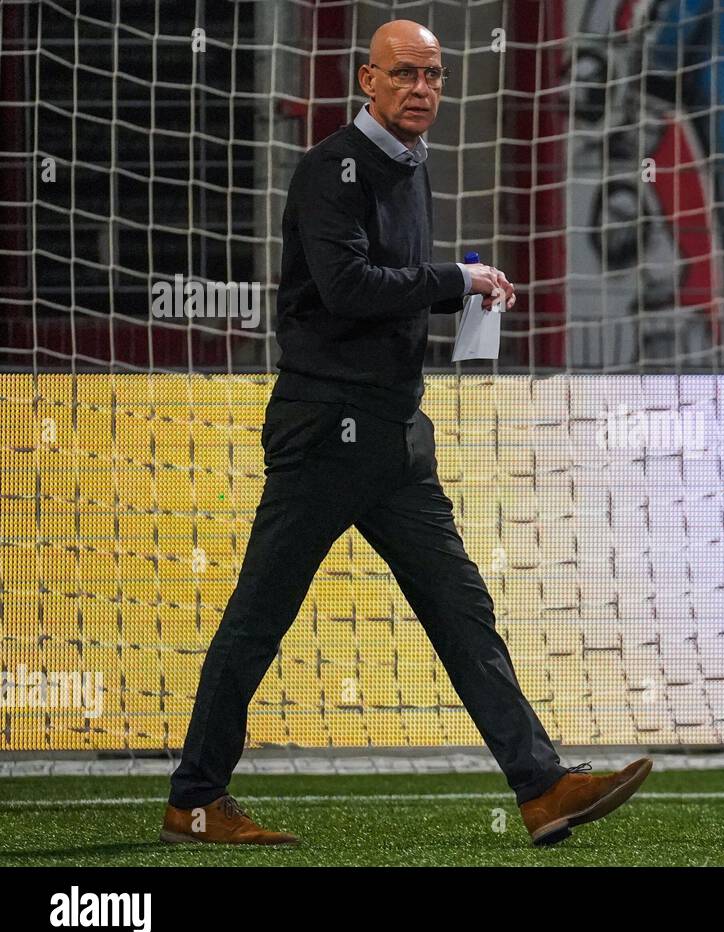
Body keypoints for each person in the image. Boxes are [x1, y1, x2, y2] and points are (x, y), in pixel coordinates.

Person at [161, 19, 651, 849]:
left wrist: (460, 296)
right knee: (258, 619)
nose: (422, 88)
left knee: (462, 610)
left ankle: (542, 788)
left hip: (393, 434)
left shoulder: (410, 167)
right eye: (405, 74)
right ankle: (195, 801)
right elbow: (348, 287)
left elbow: (391, 289)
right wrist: (452, 280)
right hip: (327, 428)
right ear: (366, 80)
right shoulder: (331, 169)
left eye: (435, 74)